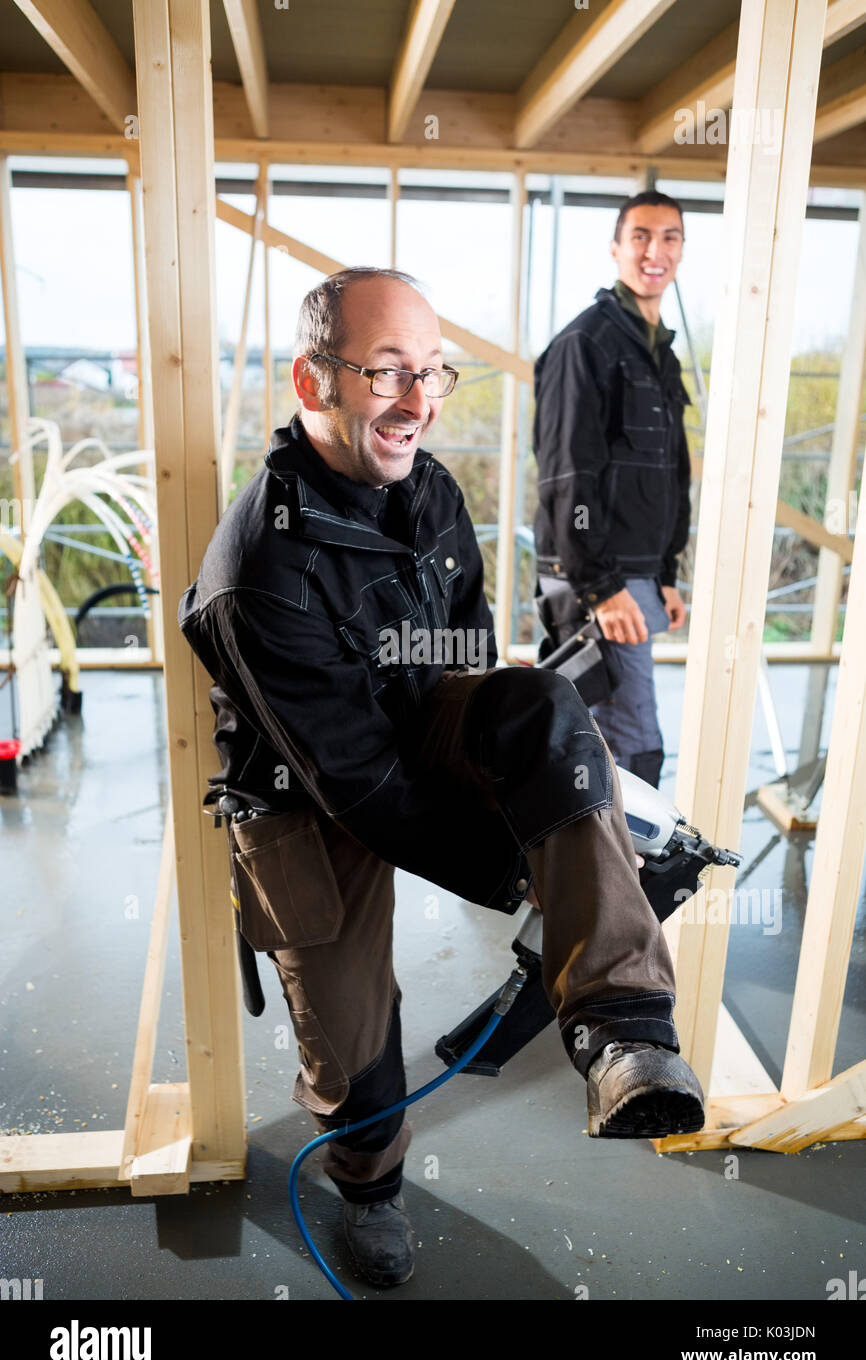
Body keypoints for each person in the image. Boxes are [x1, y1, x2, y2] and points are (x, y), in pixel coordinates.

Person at [178, 266, 703, 1291]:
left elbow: (468, 668)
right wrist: (519, 873)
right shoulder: (261, 570)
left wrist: (554, 804)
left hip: (407, 722)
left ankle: (621, 1027)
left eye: (431, 373)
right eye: (385, 372)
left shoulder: (430, 490)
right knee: (349, 1031)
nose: (416, 402)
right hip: (301, 790)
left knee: (547, 712)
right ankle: (368, 1186)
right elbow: (363, 791)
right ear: (311, 380)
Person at [533, 190, 692, 788]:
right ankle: (612, 882)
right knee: (628, 746)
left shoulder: (658, 353)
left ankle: (600, 879)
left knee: (610, 743)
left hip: (638, 574)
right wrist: (601, 589)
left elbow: (671, 472)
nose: (656, 250)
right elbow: (566, 473)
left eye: (670, 237)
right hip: (597, 579)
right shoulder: (587, 344)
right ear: (616, 248)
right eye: (642, 236)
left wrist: (667, 572)